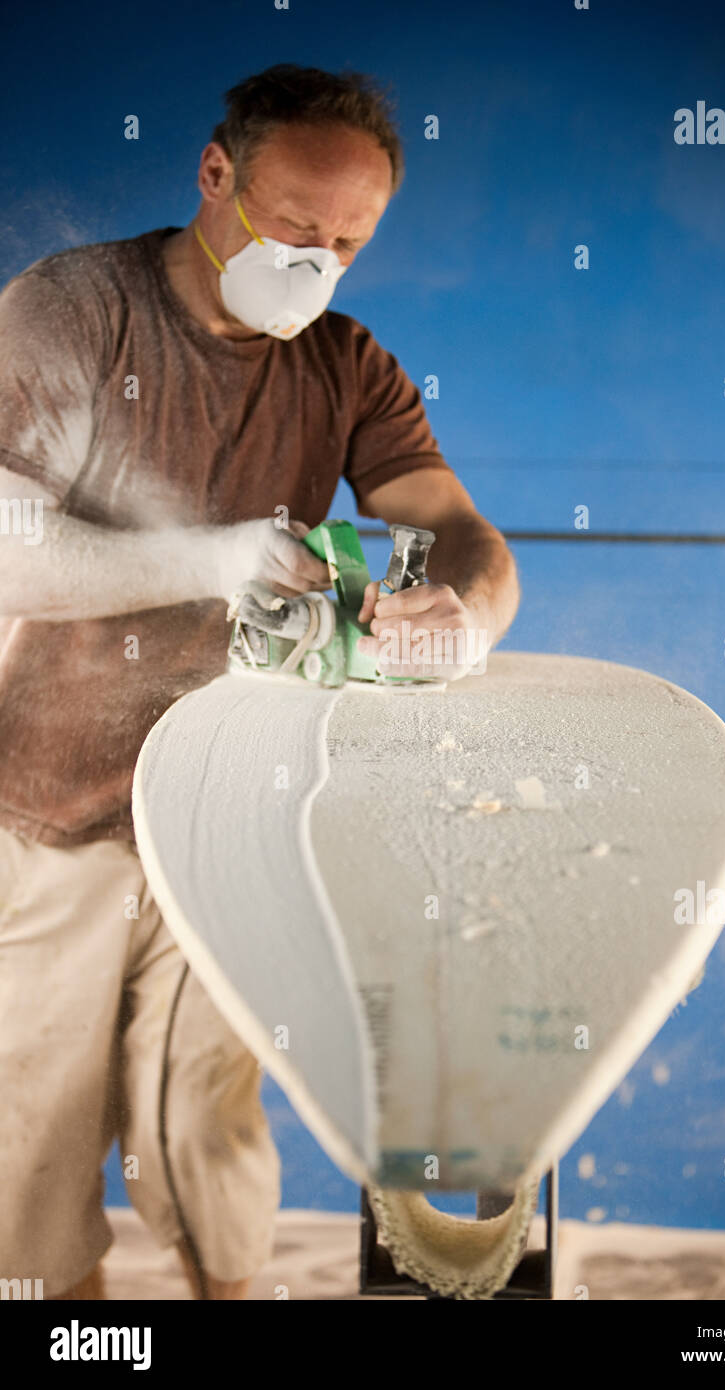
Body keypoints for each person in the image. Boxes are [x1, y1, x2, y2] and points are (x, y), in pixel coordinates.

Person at [0, 63, 518, 1300]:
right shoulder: (74, 310)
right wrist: (209, 558)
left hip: (232, 809)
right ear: (215, 175)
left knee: (207, 1126)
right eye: (295, 228)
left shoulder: (343, 361)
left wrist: (467, 619)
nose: (317, 263)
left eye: (349, 242)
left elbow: (461, 531)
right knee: (33, 1141)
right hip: (55, 805)